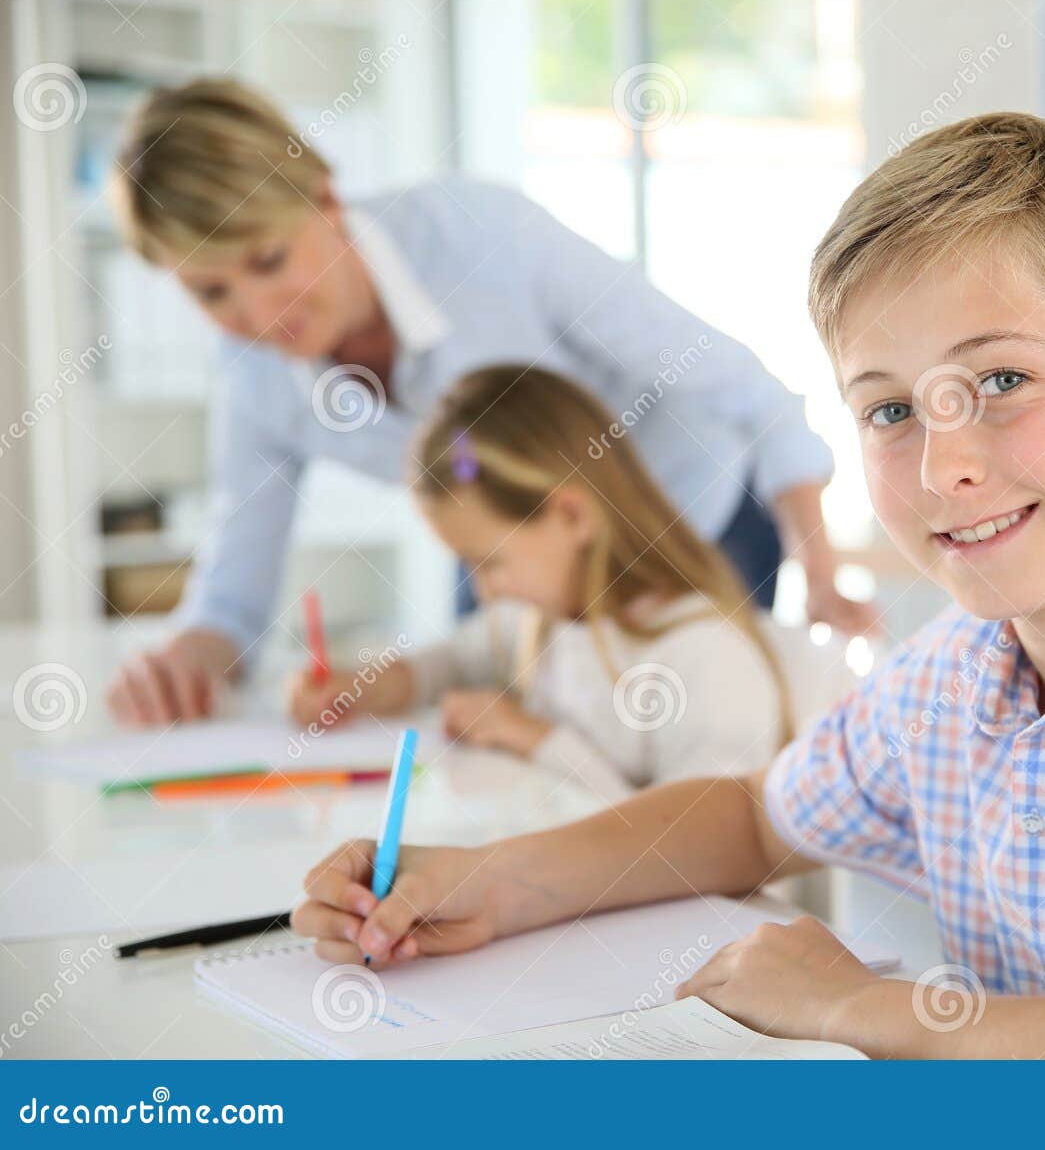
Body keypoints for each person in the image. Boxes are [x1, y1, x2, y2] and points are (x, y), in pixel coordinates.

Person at [291, 113, 1045, 1057]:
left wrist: (860, 1005)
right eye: (891, 409)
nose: (945, 460)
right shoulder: (960, 675)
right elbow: (751, 815)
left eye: (1002, 379)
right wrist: (488, 881)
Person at [103, 78, 875, 726]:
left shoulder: (485, 237)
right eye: (211, 291)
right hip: (512, 544)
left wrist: (824, 573)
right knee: (488, 733)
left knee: (661, 734)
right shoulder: (251, 370)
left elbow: (748, 389)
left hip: (686, 515)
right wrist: (193, 654)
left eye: (269, 259)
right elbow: (235, 586)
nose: (259, 313)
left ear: (325, 198)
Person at [284, 364, 852, 802]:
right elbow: (451, 662)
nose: (483, 590)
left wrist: (538, 742)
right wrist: (366, 688)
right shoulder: (541, 623)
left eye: (490, 561)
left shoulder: (701, 655)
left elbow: (697, 851)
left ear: (574, 518)